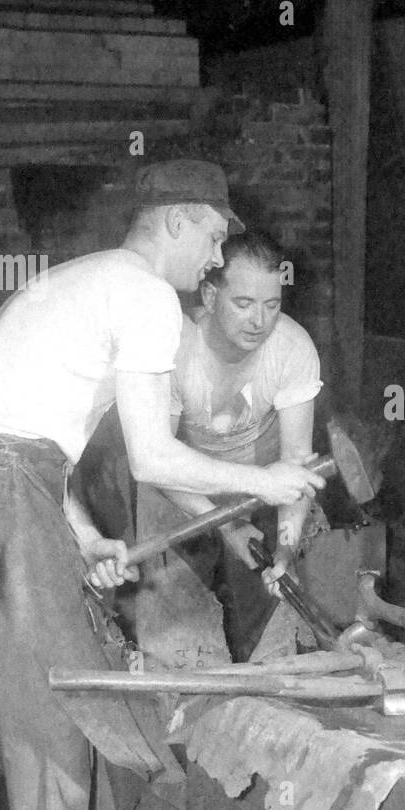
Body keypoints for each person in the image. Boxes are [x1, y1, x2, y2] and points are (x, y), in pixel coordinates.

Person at [0, 159, 325, 810]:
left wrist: (76, 534)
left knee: (85, 696)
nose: (214, 256)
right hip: (2, 489)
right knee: (57, 723)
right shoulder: (144, 292)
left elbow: (24, 431)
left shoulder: (88, 279)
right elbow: (151, 457)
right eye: (212, 235)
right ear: (176, 219)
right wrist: (265, 484)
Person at [133, 229, 323, 667]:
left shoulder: (293, 348)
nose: (259, 321)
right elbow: (155, 463)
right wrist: (228, 528)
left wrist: (287, 549)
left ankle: (273, 702)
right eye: (243, 304)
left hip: (263, 489)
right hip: (176, 487)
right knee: (179, 628)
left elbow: (297, 465)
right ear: (210, 294)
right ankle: (184, 701)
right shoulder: (173, 349)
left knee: (278, 620)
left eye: (272, 305)